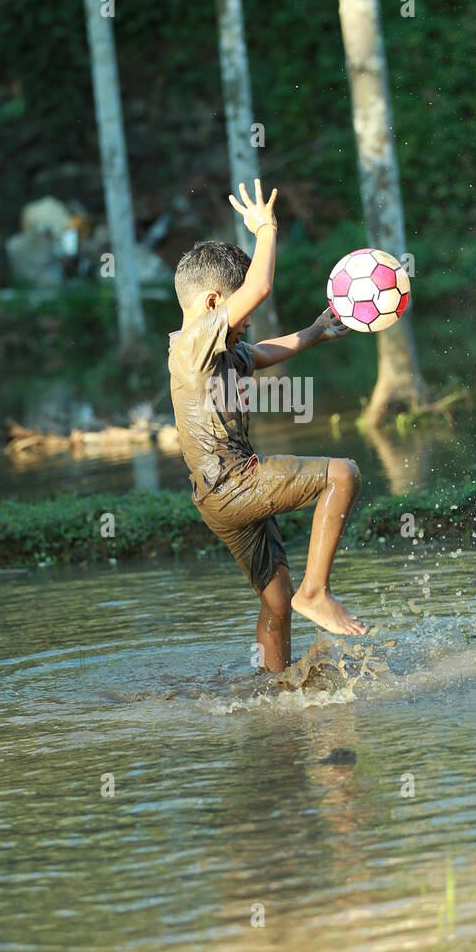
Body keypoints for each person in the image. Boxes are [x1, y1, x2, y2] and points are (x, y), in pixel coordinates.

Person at [168, 179, 366, 674]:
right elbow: (259, 287)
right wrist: (266, 230)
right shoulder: (193, 341)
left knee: (277, 600)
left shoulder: (221, 351)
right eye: (240, 311)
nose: (249, 320)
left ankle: (272, 688)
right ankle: (317, 593)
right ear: (215, 303)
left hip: (217, 498)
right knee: (343, 473)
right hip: (235, 483)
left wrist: (317, 332)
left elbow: (263, 352)